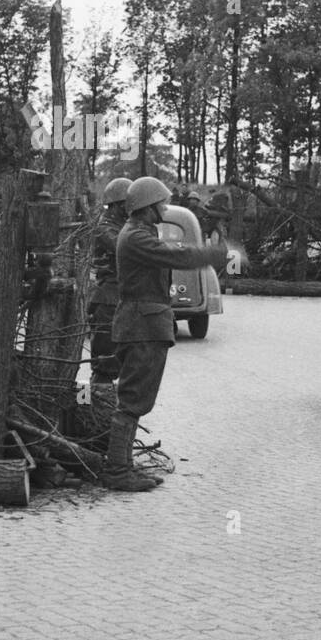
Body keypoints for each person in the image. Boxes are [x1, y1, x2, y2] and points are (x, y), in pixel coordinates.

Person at [105, 176, 228, 491]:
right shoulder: (135, 237)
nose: (164, 207)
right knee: (132, 402)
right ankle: (118, 473)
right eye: (160, 202)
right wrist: (210, 255)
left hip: (144, 325)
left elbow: (173, 251)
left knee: (135, 401)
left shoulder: (139, 233)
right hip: (141, 327)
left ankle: (123, 469)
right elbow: (177, 256)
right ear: (147, 207)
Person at [87, 177, 131, 386]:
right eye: (127, 203)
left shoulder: (122, 225)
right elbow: (125, 250)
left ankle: (105, 408)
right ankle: (93, 410)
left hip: (120, 296)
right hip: (108, 298)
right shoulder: (105, 227)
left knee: (120, 360)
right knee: (104, 364)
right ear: (117, 204)